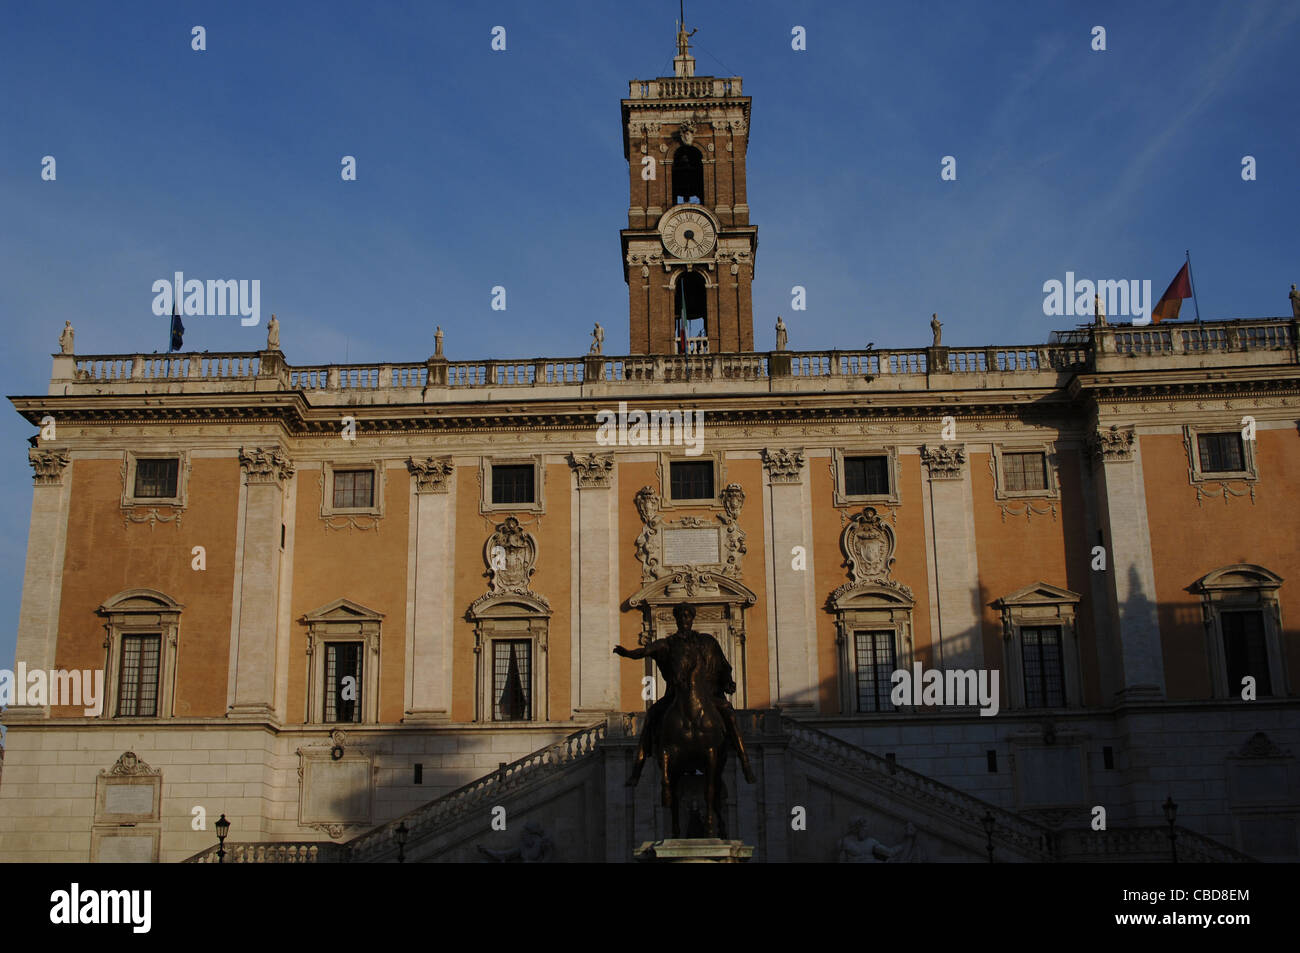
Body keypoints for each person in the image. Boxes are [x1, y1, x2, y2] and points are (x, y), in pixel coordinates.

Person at [614, 603, 755, 785]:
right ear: (677, 619)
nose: (684, 619)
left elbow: (722, 664)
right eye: (681, 616)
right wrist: (627, 653)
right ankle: (637, 770)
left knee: (728, 712)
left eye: (687, 616)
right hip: (674, 695)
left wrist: (728, 681)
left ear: (692, 619)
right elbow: (645, 651)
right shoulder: (668, 643)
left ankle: (745, 763)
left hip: (706, 695)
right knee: (651, 717)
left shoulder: (706, 642)